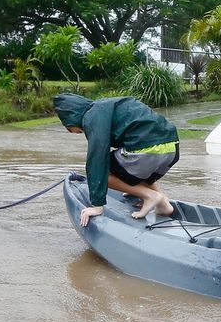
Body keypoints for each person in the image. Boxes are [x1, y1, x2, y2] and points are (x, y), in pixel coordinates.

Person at [55, 92, 181, 226]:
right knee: (127, 162)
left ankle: (150, 196)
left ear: (71, 118)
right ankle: (164, 204)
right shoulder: (107, 106)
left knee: (102, 170)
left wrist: (97, 206)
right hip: (171, 148)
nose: (77, 132)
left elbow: (97, 158)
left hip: (146, 151)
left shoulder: (92, 117)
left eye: (72, 129)